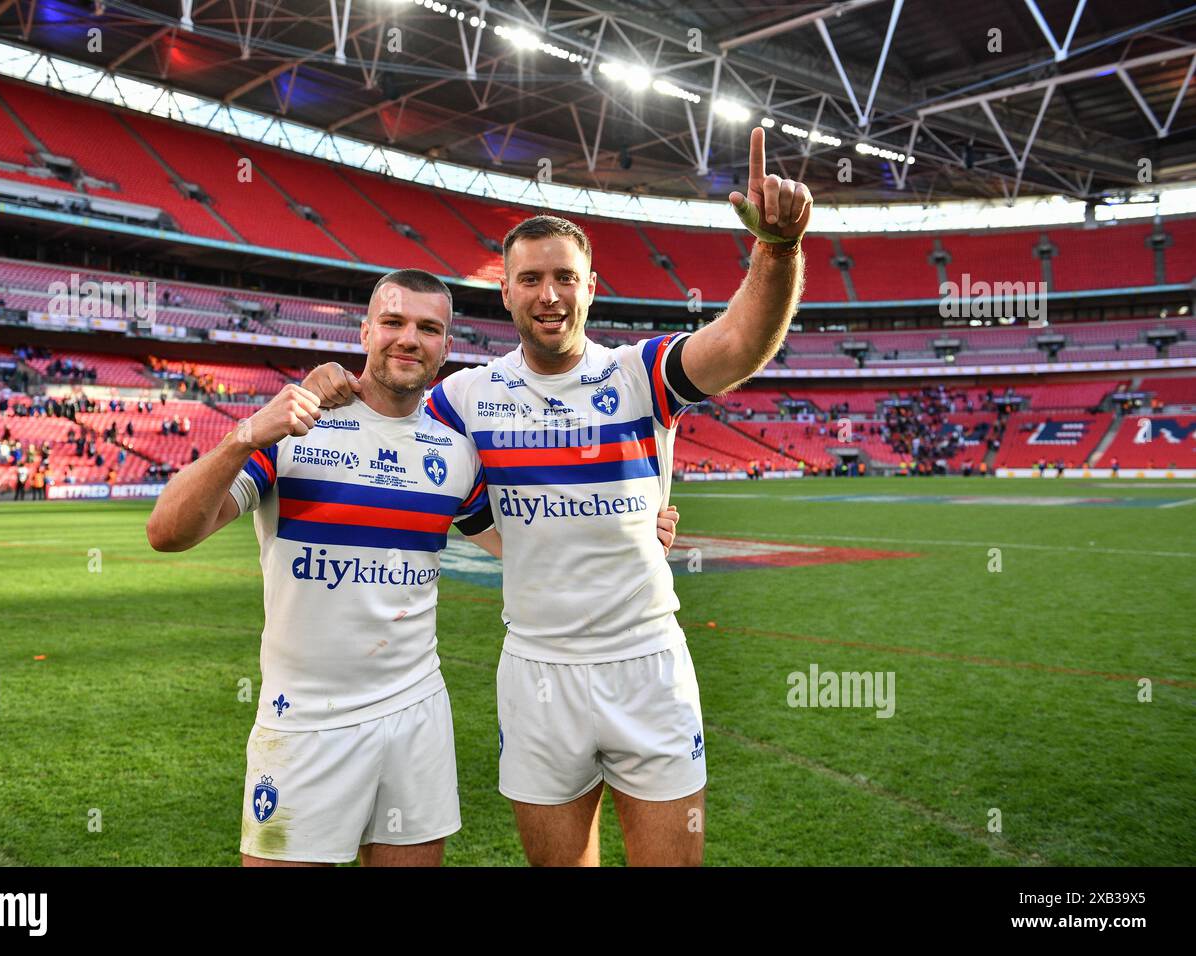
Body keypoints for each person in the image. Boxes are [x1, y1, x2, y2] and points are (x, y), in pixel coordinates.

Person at [303, 126, 808, 866]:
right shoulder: (466, 399)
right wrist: (330, 386)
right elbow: (397, 428)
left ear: (590, 288)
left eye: (565, 277)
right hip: (537, 675)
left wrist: (778, 249)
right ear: (505, 290)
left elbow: (739, 342)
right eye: (532, 278)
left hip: (648, 668)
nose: (549, 294)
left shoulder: (642, 373)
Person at [148, 270, 678, 867]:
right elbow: (167, 532)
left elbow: (524, 545)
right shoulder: (294, 430)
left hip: (416, 715)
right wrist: (245, 435)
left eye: (428, 328)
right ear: (366, 331)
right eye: (394, 323)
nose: (409, 339)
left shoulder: (454, 452)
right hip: (303, 723)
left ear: (445, 348)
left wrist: (630, 532)